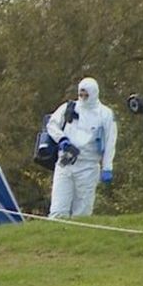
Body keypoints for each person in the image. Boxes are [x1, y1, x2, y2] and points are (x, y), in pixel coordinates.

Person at [46, 77, 117, 217]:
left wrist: (107, 166)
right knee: (58, 209)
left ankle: (77, 236)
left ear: (94, 93)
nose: (83, 98)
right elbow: (52, 125)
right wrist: (62, 139)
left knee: (82, 211)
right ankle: (56, 235)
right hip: (66, 160)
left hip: (88, 165)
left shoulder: (105, 114)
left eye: (86, 95)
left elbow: (110, 141)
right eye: (81, 94)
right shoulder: (69, 107)